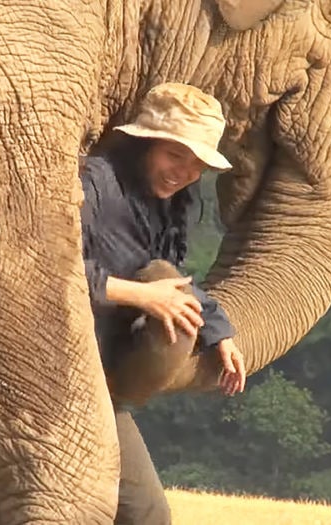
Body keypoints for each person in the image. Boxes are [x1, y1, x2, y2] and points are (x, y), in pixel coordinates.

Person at [79, 82, 247, 525]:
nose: (184, 172)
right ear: (145, 143)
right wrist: (140, 295)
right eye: (175, 156)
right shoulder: (94, 182)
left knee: (148, 516)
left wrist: (217, 331)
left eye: (196, 165)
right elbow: (46, 271)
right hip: (51, 372)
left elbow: (172, 284)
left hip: (100, 384)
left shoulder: (167, 204)